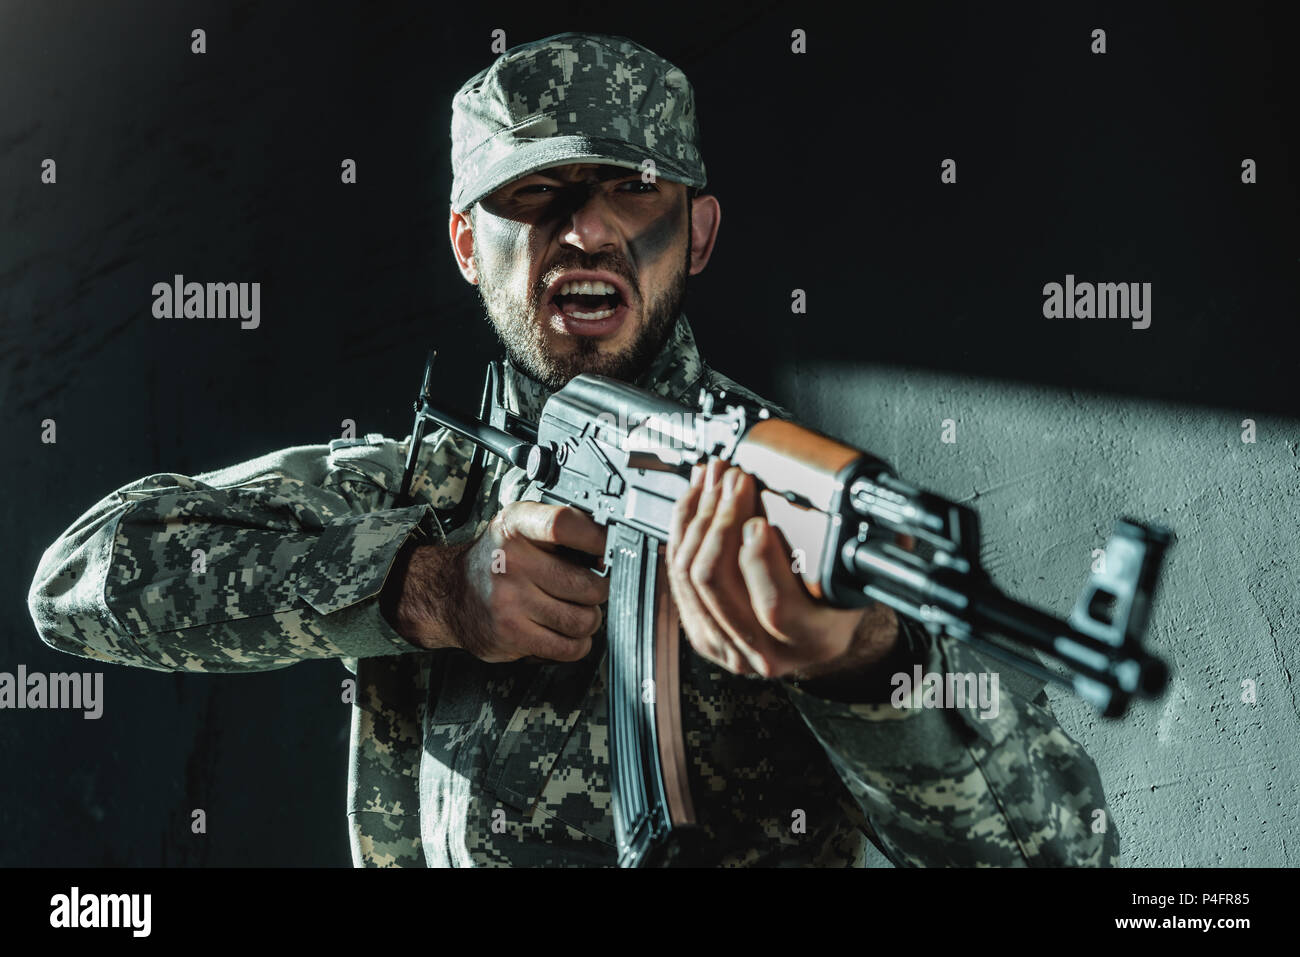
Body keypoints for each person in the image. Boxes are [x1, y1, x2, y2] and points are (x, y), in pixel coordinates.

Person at [27, 32, 1119, 868]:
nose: (586, 232)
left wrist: (861, 662)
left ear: (697, 232)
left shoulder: (792, 495)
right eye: (531, 195)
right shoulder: (417, 486)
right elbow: (77, 581)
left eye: (633, 187)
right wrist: (422, 587)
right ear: (467, 242)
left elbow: (1061, 852)